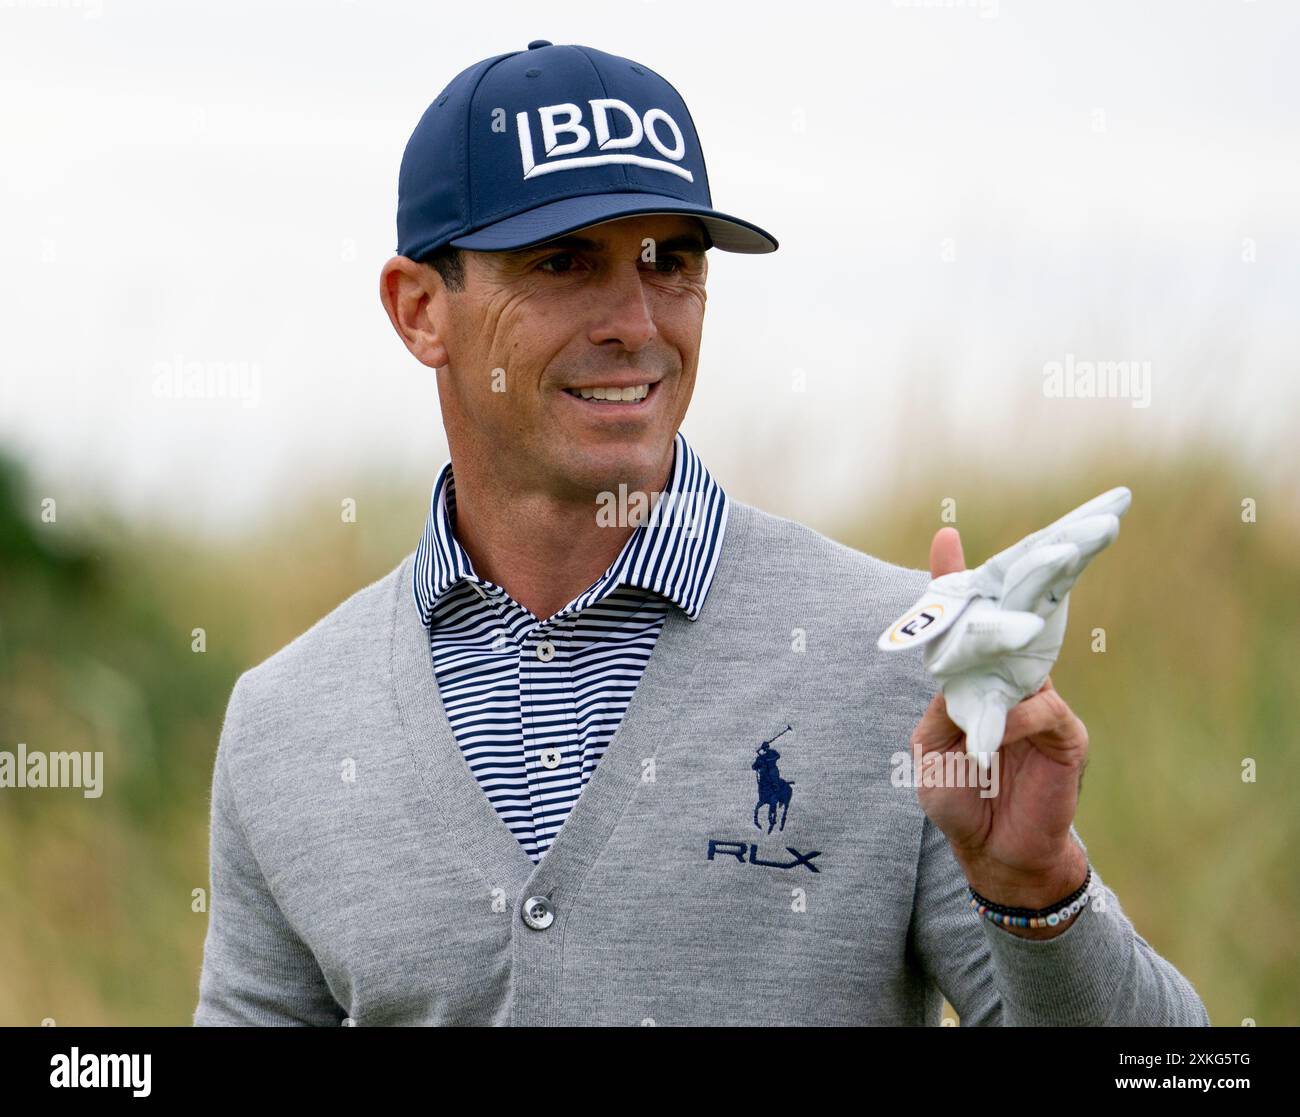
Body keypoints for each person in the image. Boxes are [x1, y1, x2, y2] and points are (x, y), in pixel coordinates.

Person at [194, 41, 1208, 1026]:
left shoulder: (913, 663)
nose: (636, 319)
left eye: (670, 262)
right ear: (420, 310)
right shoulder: (287, 725)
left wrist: (1039, 891)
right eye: (562, 262)